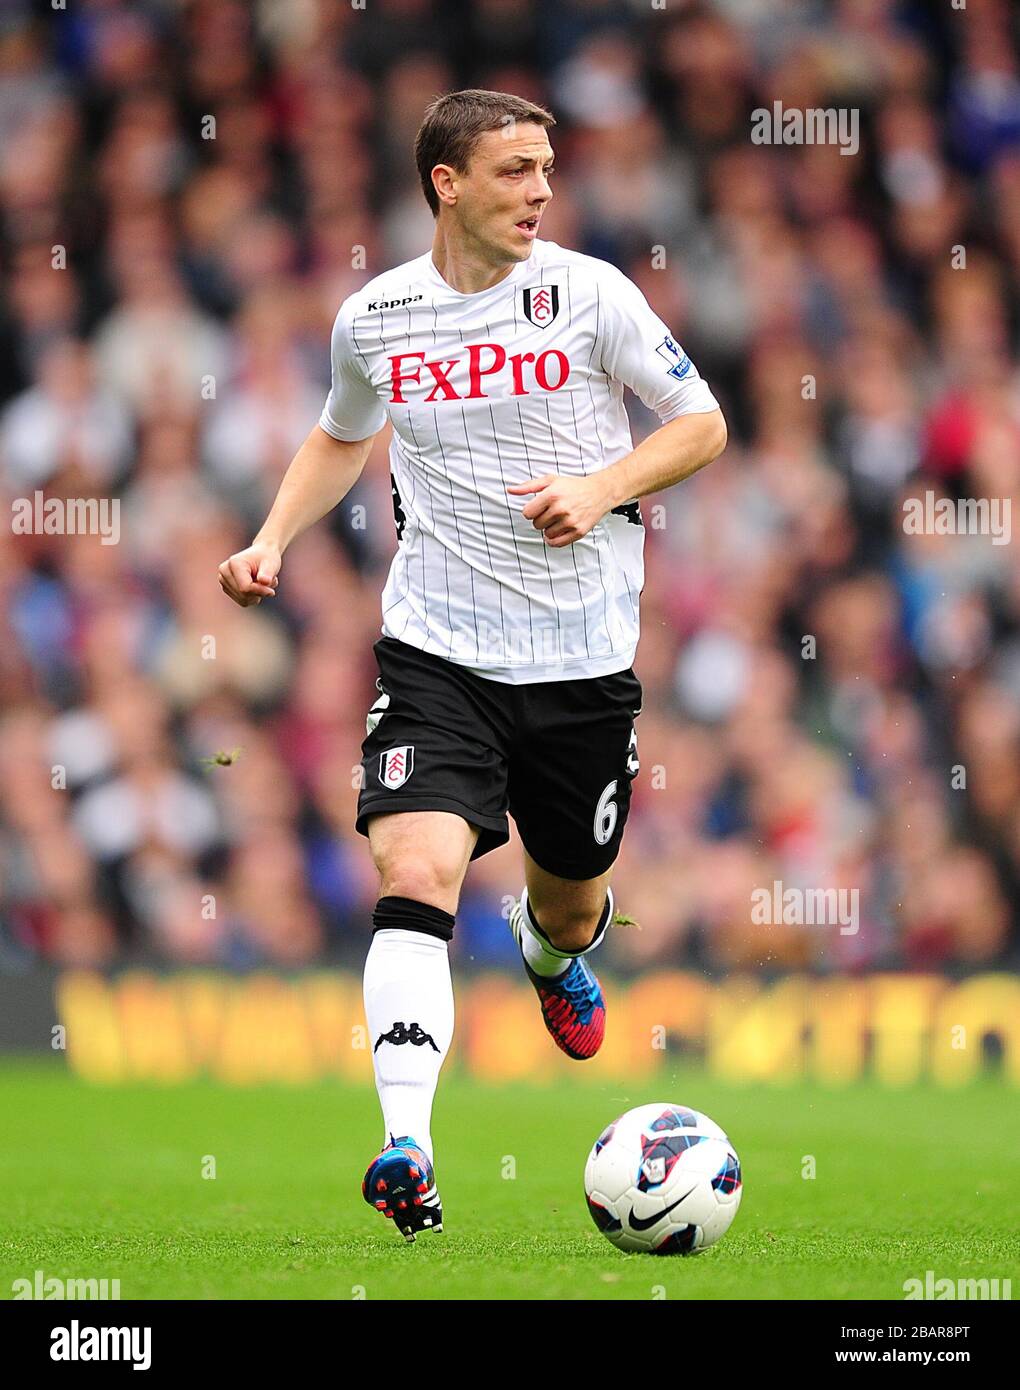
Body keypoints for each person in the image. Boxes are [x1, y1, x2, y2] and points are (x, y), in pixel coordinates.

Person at [218, 89, 727, 1242]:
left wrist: (603, 488)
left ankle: (551, 953)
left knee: (571, 893)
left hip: (583, 664)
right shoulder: (377, 317)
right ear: (445, 184)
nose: (540, 190)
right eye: (514, 171)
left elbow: (702, 424)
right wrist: (271, 538)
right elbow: (343, 431)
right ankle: (410, 1146)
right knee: (417, 869)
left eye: (546, 168)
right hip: (437, 652)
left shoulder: (592, 293)